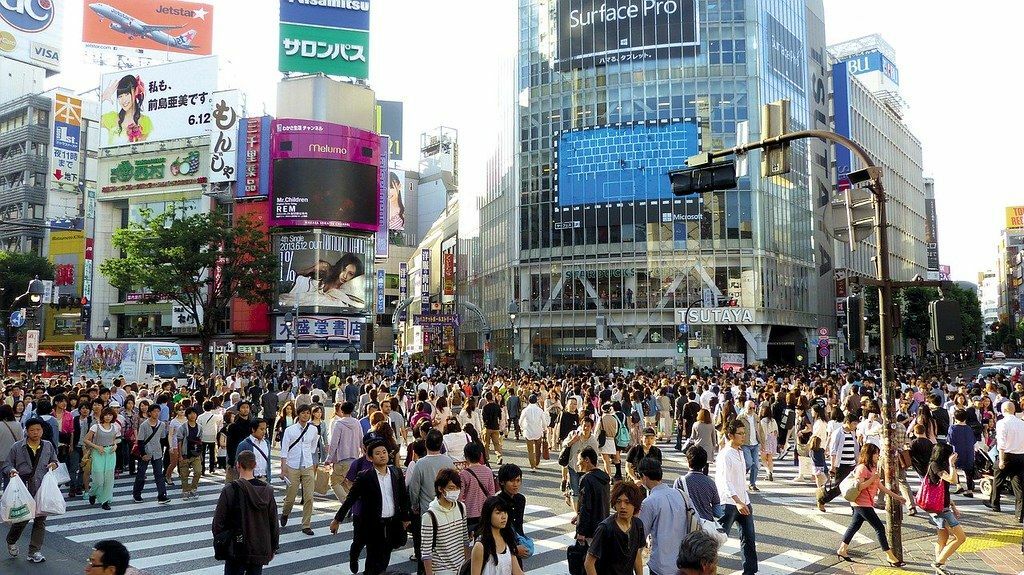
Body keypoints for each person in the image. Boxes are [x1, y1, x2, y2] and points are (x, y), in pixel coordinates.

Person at [331, 440, 412, 575]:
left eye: (384, 452)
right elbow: (351, 498)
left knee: (385, 558)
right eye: (378, 453)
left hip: (392, 523)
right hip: (374, 525)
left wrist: (405, 518)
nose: (382, 455)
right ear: (371, 457)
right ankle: (360, 562)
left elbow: (403, 497)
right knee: (373, 559)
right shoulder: (365, 476)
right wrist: (337, 520)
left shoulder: (396, 473)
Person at [835, 443, 905, 567]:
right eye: (876, 453)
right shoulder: (862, 468)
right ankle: (890, 556)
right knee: (879, 528)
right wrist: (873, 478)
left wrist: (897, 497)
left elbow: (880, 486)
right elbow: (860, 486)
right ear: (869, 454)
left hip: (866, 503)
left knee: (854, 526)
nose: (878, 456)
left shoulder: (873, 468)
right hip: (861, 503)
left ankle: (842, 549)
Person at [212, 450, 280, 575]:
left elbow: (218, 522)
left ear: (238, 465)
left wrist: (222, 541)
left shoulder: (230, 489)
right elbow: (273, 522)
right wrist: (273, 546)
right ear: (254, 465)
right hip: (258, 547)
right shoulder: (267, 491)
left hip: (236, 548)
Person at [3, 417, 59, 562]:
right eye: (32, 430)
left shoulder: (47, 446)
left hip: (41, 489)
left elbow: (55, 460)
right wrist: (12, 471)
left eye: (38, 430)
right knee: (22, 519)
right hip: (23, 489)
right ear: (26, 431)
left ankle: (34, 551)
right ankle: (11, 540)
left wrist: (53, 465)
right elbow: (7, 465)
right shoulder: (17, 447)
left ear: (42, 431)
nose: (35, 433)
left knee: (40, 520)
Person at [407, 429, 457, 569]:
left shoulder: (420, 464)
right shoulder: (448, 461)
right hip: (446, 509)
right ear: (441, 444)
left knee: (426, 546)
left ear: (426, 444)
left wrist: (414, 505)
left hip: (426, 511)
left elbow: (414, 489)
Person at [716, 419, 757, 575]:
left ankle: (750, 572)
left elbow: (740, 480)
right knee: (718, 540)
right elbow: (725, 482)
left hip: (744, 501)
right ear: (730, 435)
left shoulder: (740, 451)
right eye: (740, 433)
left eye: (744, 433)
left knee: (749, 539)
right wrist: (738, 501)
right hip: (729, 504)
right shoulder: (725, 455)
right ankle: (705, 568)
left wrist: (744, 499)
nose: (743, 436)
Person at [637, 458, 688, 575]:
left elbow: (640, 536)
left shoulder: (649, 502)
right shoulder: (681, 495)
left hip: (661, 565)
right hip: (684, 563)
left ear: (644, 477)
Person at [584, 481, 646, 575]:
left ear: (635, 505)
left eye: (627, 502)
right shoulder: (605, 528)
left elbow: (636, 555)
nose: (622, 506)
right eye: (618, 501)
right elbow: (589, 563)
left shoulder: (638, 525)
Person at [926, 443, 967, 575]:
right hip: (941, 510)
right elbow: (953, 480)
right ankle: (939, 562)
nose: (953, 456)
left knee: (942, 539)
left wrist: (953, 506)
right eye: (950, 453)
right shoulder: (935, 465)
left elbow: (943, 490)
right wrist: (951, 463)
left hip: (941, 507)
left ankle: (940, 569)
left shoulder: (938, 465)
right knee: (961, 538)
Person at [279, 404, 320, 535]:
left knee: (309, 496)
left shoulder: (313, 429)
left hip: (307, 465)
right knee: (291, 496)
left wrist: (313, 463)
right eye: (303, 413)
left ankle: (306, 525)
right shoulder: (290, 430)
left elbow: (313, 447)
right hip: (292, 466)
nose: (306, 415)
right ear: (298, 414)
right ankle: (285, 513)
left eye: (308, 413)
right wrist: (283, 469)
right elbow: (284, 451)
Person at [420, 468, 469, 575]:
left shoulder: (461, 508)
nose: (455, 491)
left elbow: (465, 539)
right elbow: (426, 552)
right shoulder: (429, 516)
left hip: (461, 568)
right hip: (441, 571)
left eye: (457, 488)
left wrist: (467, 566)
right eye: (451, 488)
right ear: (440, 489)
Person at [280, 253, 366, 309]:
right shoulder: (328, 272)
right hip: (295, 283)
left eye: (350, 274)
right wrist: (313, 269)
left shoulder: (345, 294)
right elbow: (299, 273)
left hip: (296, 293)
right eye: (343, 270)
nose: (345, 275)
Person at [468, 496, 525, 575]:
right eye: (498, 513)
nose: (504, 517)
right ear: (488, 515)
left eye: (505, 512)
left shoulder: (507, 539)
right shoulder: (480, 546)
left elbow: (517, 571)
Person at [986, 400, 1024, 518]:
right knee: (1018, 485)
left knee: (998, 480)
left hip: (1007, 455)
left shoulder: (1002, 423)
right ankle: (1020, 514)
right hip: (1020, 456)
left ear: (1004, 410)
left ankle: (995, 504)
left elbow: (1001, 443)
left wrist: (1001, 460)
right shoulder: (1021, 423)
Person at [818, 413, 860, 511]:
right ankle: (822, 500)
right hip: (841, 465)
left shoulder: (853, 433)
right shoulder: (838, 433)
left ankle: (856, 509)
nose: (855, 426)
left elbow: (855, 449)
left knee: (853, 486)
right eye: (854, 424)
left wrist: (858, 462)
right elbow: (833, 450)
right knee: (837, 487)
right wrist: (833, 466)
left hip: (852, 464)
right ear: (847, 422)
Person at [132, 403, 170, 504]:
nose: (156, 413)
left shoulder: (161, 424)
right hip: (145, 451)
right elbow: (140, 440)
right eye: (154, 411)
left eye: (158, 411)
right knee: (141, 474)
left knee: (159, 474)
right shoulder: (144, 424)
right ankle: (137, 494)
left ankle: (162, 495)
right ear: (150, 412)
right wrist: (143, 453)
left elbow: (162, 439)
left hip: (157, 452)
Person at [85, 407, 121, 510]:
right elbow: (86, 440)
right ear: (102, 416)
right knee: (98, 479)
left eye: (110, 415)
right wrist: (96, 447)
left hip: (110, 453)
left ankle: (105, 500)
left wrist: (115, 445)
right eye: (106, 415)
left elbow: (114, 440)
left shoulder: (115, 427)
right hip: (98, 453)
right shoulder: (95, 427)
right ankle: (92, 493)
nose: (108, 417)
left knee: (109, 479)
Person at [100, 74, 153, 144]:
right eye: (120, 96)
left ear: (135, 92)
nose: (123, 100)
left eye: (127, 94)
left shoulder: (145, 121)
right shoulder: (112, 117)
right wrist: (103, 97)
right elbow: (92, 120)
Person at [326, 401, 363, 502]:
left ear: (341, 410)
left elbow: (334, 443)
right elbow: (361, 440)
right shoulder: (357, 423)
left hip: (342, 459)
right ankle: (353, 503)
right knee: (347, 483)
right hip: (354, 458)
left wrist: (329, 459)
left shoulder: (339, 424)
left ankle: (347, 504)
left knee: (334, 482)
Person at [674, 446, 720, 522]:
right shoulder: (711, 483)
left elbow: (675, 505)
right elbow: (717, 511)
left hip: (687, 524)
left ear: (688, 461)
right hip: (706, 525)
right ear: (705, 463)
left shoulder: (680, 482)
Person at [574, 446, 610, 544]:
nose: (578, 464)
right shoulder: (604, 477)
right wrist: (578, 516)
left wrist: (581, 532)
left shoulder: (586, 479)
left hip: (590, 529)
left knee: (588, 557)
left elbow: (586, 506)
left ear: (587, 460)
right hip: (603, 525)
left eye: (579, 460)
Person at [460, 441, 497, 536]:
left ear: (466, 457)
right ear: (480, 455)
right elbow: (492, 493)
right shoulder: (488, 471)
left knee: (469, 542)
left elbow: (460, 496)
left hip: (469, 513)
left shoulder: (464, 474)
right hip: (484, 512)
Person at [176, 407, 205, 499]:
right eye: (190, 414)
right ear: (187, 415)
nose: (193, 415)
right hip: (185, 454)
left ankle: (193, 489)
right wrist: (180, 455)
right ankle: (185, 491)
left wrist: (200, 455)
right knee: (184, 474)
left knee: (198, 471)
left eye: (194, 413)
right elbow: (179, 441)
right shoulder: (183, 427)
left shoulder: (199, 427)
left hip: (195, 453)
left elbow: (200, 441)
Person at [947, 408, 976, 496]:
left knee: (953, 468)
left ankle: (959, 485)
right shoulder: (969, 428)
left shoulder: (953, 427)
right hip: (969, 452)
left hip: (957, 451)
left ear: (955, 418)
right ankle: (969, 490)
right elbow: (973, 441)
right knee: (968, 471)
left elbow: (950, 441)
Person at [518, 394, 547, 471]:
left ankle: (532, 466)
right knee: (538, 449)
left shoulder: (525, 410)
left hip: (528, 431)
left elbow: (520, 421)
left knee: (530, 450)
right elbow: (544, 422)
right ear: (536, 401)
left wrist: (522, 428)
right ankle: (537, 463)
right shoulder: (540, 410)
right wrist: (545, 429)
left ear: (528, 401)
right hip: (538, 431)